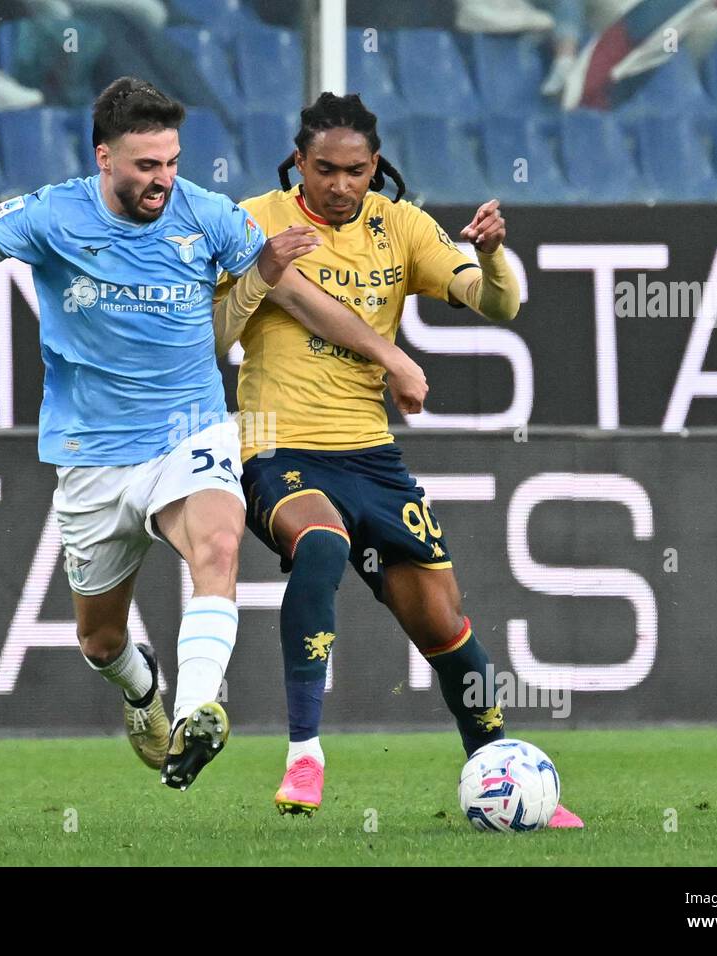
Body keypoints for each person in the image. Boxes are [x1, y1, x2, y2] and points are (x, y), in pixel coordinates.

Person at [0, 77, 428, 790]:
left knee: (217, 544)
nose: (163, 180)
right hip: (91, 455)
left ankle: (196, 710)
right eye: (147, 165)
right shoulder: (50, 214)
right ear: (104, 158)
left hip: (190, 429)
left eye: (172, 162)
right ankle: (141, 687)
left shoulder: (207, 216)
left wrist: (391, 355)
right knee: (100, 639)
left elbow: (297, 294)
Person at [213, 93, 584, 826]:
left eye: (355, 170)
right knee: (320, 542)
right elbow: (222, 325)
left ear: (374, 166)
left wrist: (489, 255)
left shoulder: (401, 226)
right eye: (325, 170)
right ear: (299, 163)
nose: (341, 185)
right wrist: (386, 353)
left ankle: (501, 769)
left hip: (372, 457)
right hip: (277, 444)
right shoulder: (253, 220)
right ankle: (304, 755)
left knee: (445, 626)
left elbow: (499, 305)